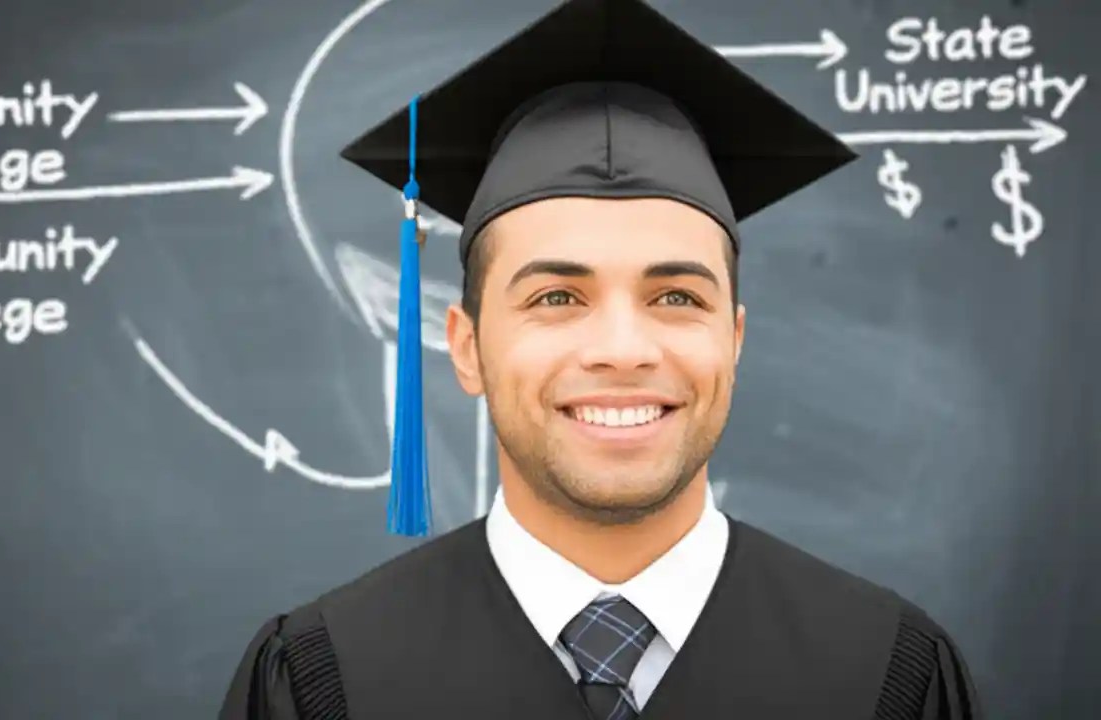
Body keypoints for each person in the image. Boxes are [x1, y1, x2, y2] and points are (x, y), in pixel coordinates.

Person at [218, 0, 985, 717]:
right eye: (557, 298)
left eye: (677, 298)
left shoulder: (888, 677)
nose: (623, 350)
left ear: (735, 340)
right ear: (466, 347)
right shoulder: (329, 685)